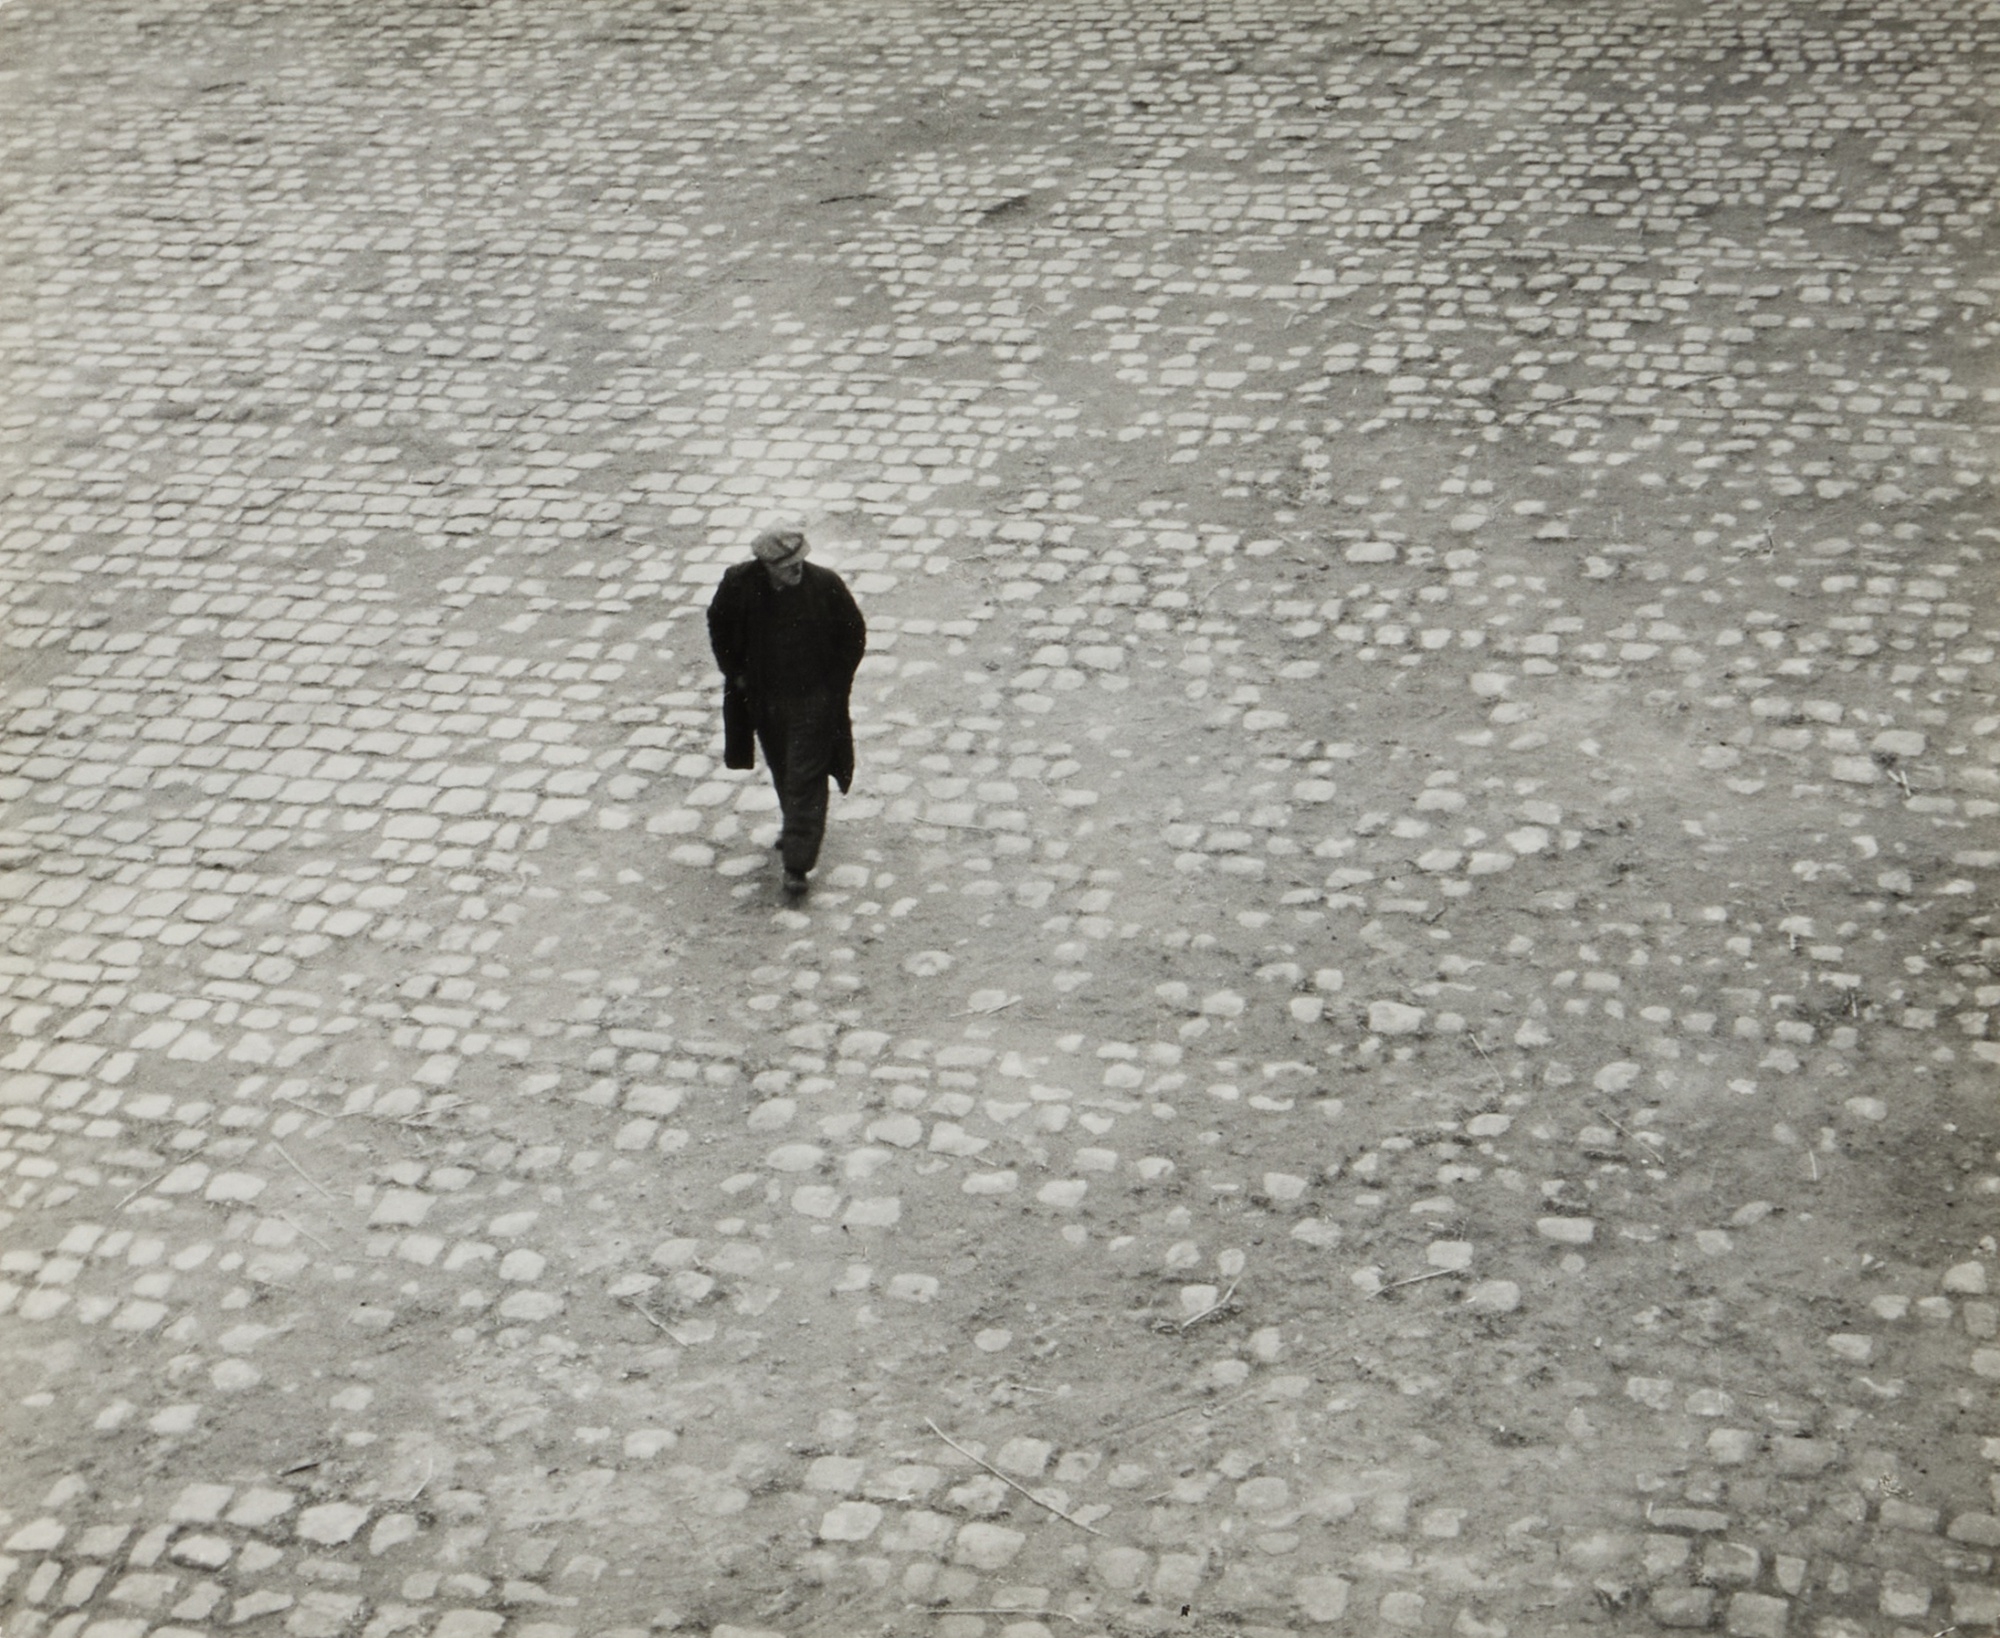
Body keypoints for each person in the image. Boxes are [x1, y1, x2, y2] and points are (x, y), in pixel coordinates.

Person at [705, 523, 867, 897]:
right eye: (787, 566)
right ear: (765, 565)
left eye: (800, 561)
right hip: (765, 699)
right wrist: (737, 673)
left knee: (806, 775)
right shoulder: (738, 584)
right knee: (782, 766)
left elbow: (853, 633)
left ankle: (797, 862)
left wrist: (834, 685)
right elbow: (719, 625)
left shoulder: (825, 585)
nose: (797, 570)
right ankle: (794, 824)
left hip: (813, 699)